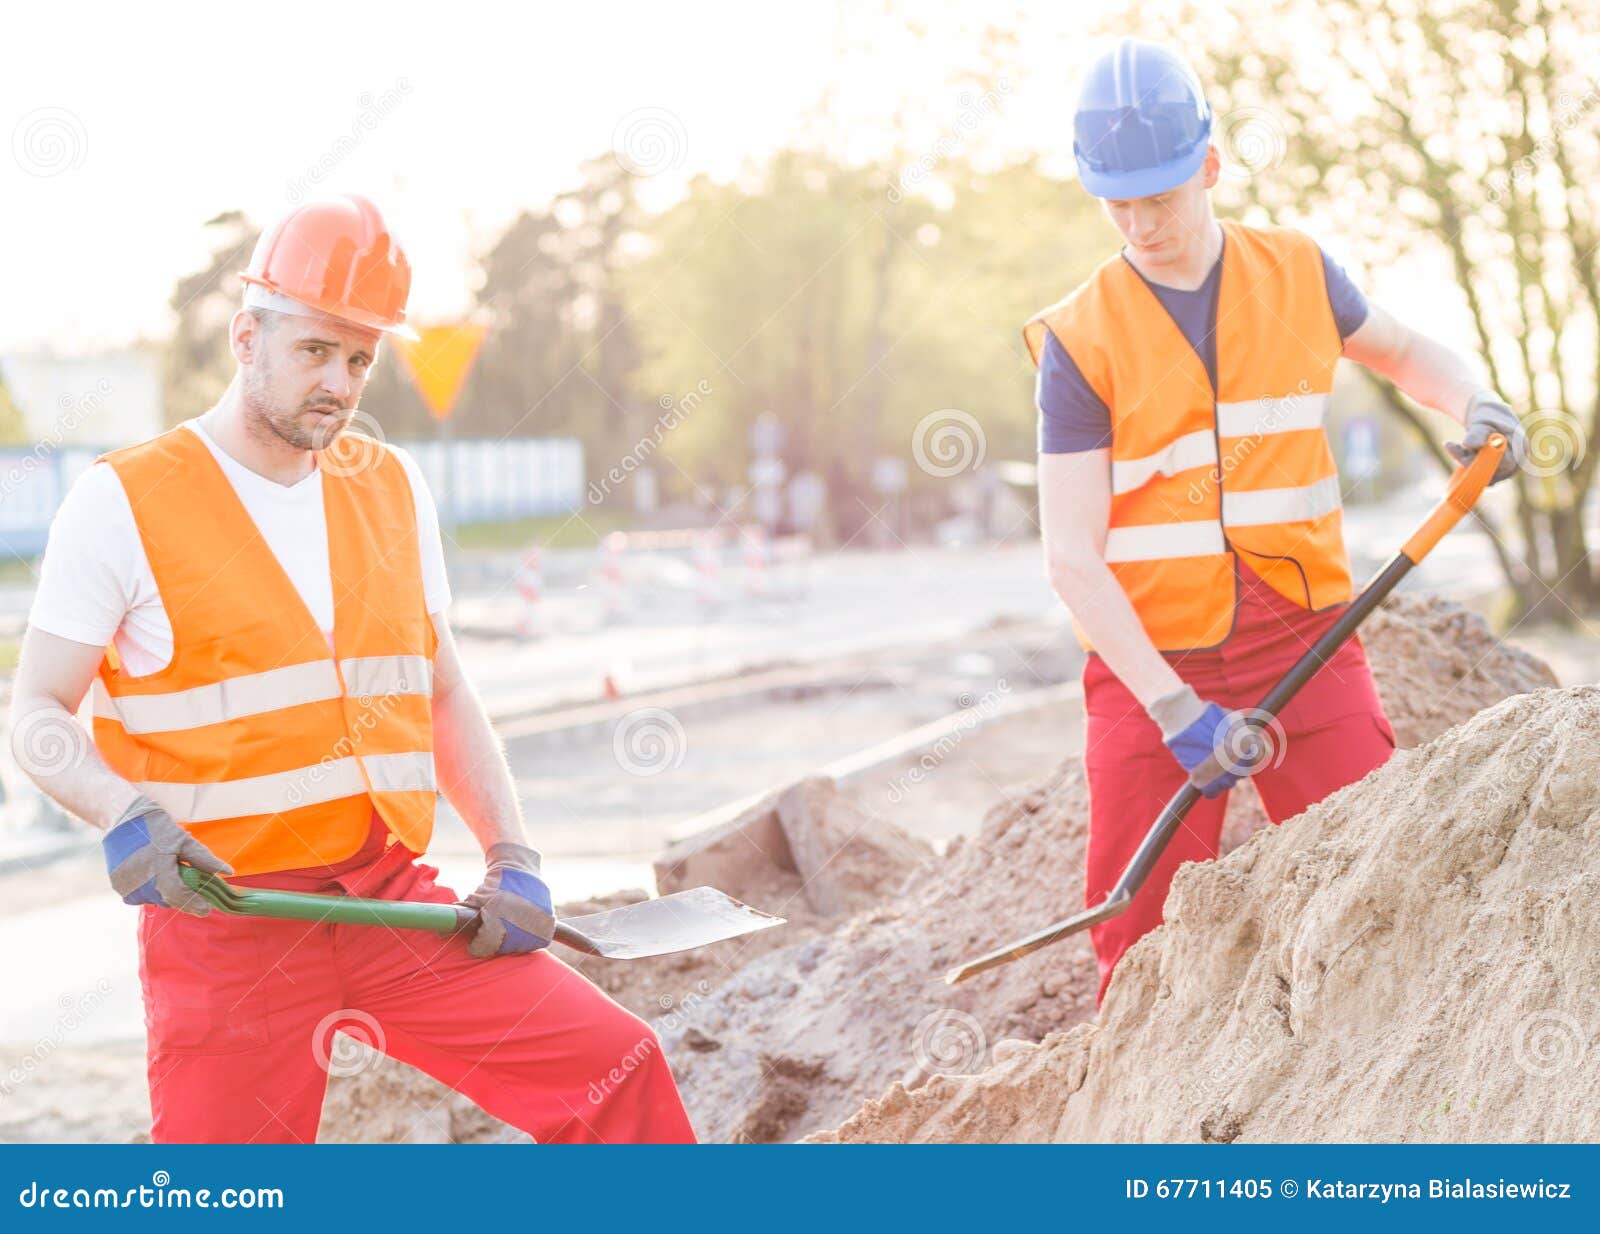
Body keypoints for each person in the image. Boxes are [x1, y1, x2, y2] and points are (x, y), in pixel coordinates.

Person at [7, 194, 696, 1144]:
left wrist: (513, 857)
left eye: (361, 358)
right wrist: (124, 815)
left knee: (618, 1072)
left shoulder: (390, 488)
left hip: (388, 902)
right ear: (248, 337)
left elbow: (443, 687)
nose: (340, 380)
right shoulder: (122, 500)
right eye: (316, 351)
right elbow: (37, 711)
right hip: (228, 921)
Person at [1029, 39, 1527, 1005]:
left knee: (1381, 870)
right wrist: (1172, 708)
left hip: (1306, 632)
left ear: (1210, 168)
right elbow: (1069, 557)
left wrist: (1471, 398)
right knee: (1136, 943)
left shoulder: (1296, 272)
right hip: (1149, 665)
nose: (1140, 223)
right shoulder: (1081, 339)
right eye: (1117, 202)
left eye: (1161, 196)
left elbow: (1404, 351)